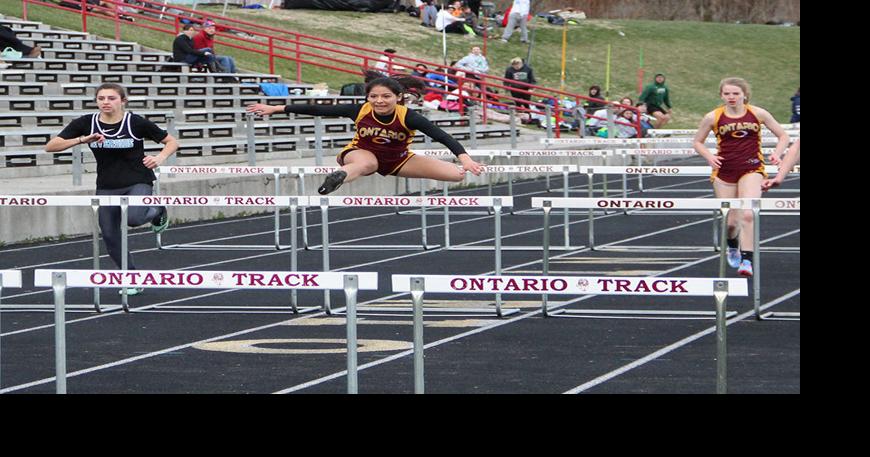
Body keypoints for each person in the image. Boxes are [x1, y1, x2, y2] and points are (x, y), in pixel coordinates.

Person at [246, 71, 483, 195]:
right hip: (359, 153)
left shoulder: (409, 116)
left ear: (398, 97)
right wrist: (276, 108)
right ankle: (338, 177)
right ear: (367, 97)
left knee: (456, 175)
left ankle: (343, 175)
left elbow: (442, 136)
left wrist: (465, 159)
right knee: (367, 164)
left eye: (386, 96)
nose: (379, 101)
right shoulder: (359, 110)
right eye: (374, 96)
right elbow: (318, 109)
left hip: (398, 160)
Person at [44, 84, 179, 295]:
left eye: (111, 98)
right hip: (107, 185)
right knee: (109, 234)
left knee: (134, 218)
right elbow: (51, 146)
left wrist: (159, 157)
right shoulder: (87, 123)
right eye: (101, 98)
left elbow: (171, 141)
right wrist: (82, 139)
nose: (105, 102)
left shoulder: (135, 122)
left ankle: (157, 210)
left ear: (123, 101)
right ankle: (131, 278)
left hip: (138, 180)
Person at [692, 77, 790, 277]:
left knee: (748, 213)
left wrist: (777, 154)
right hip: (724, 172)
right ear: (721, 95)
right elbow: (697, 142)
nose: (731, 97)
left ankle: (747, 260)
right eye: (727, 93)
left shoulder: (758, 113)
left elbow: (783, 136)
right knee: (730, 222)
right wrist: (709, 157)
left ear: (745, 95)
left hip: (752, 169)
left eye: (736, 93)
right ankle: (732, 244)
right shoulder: (713, 117)